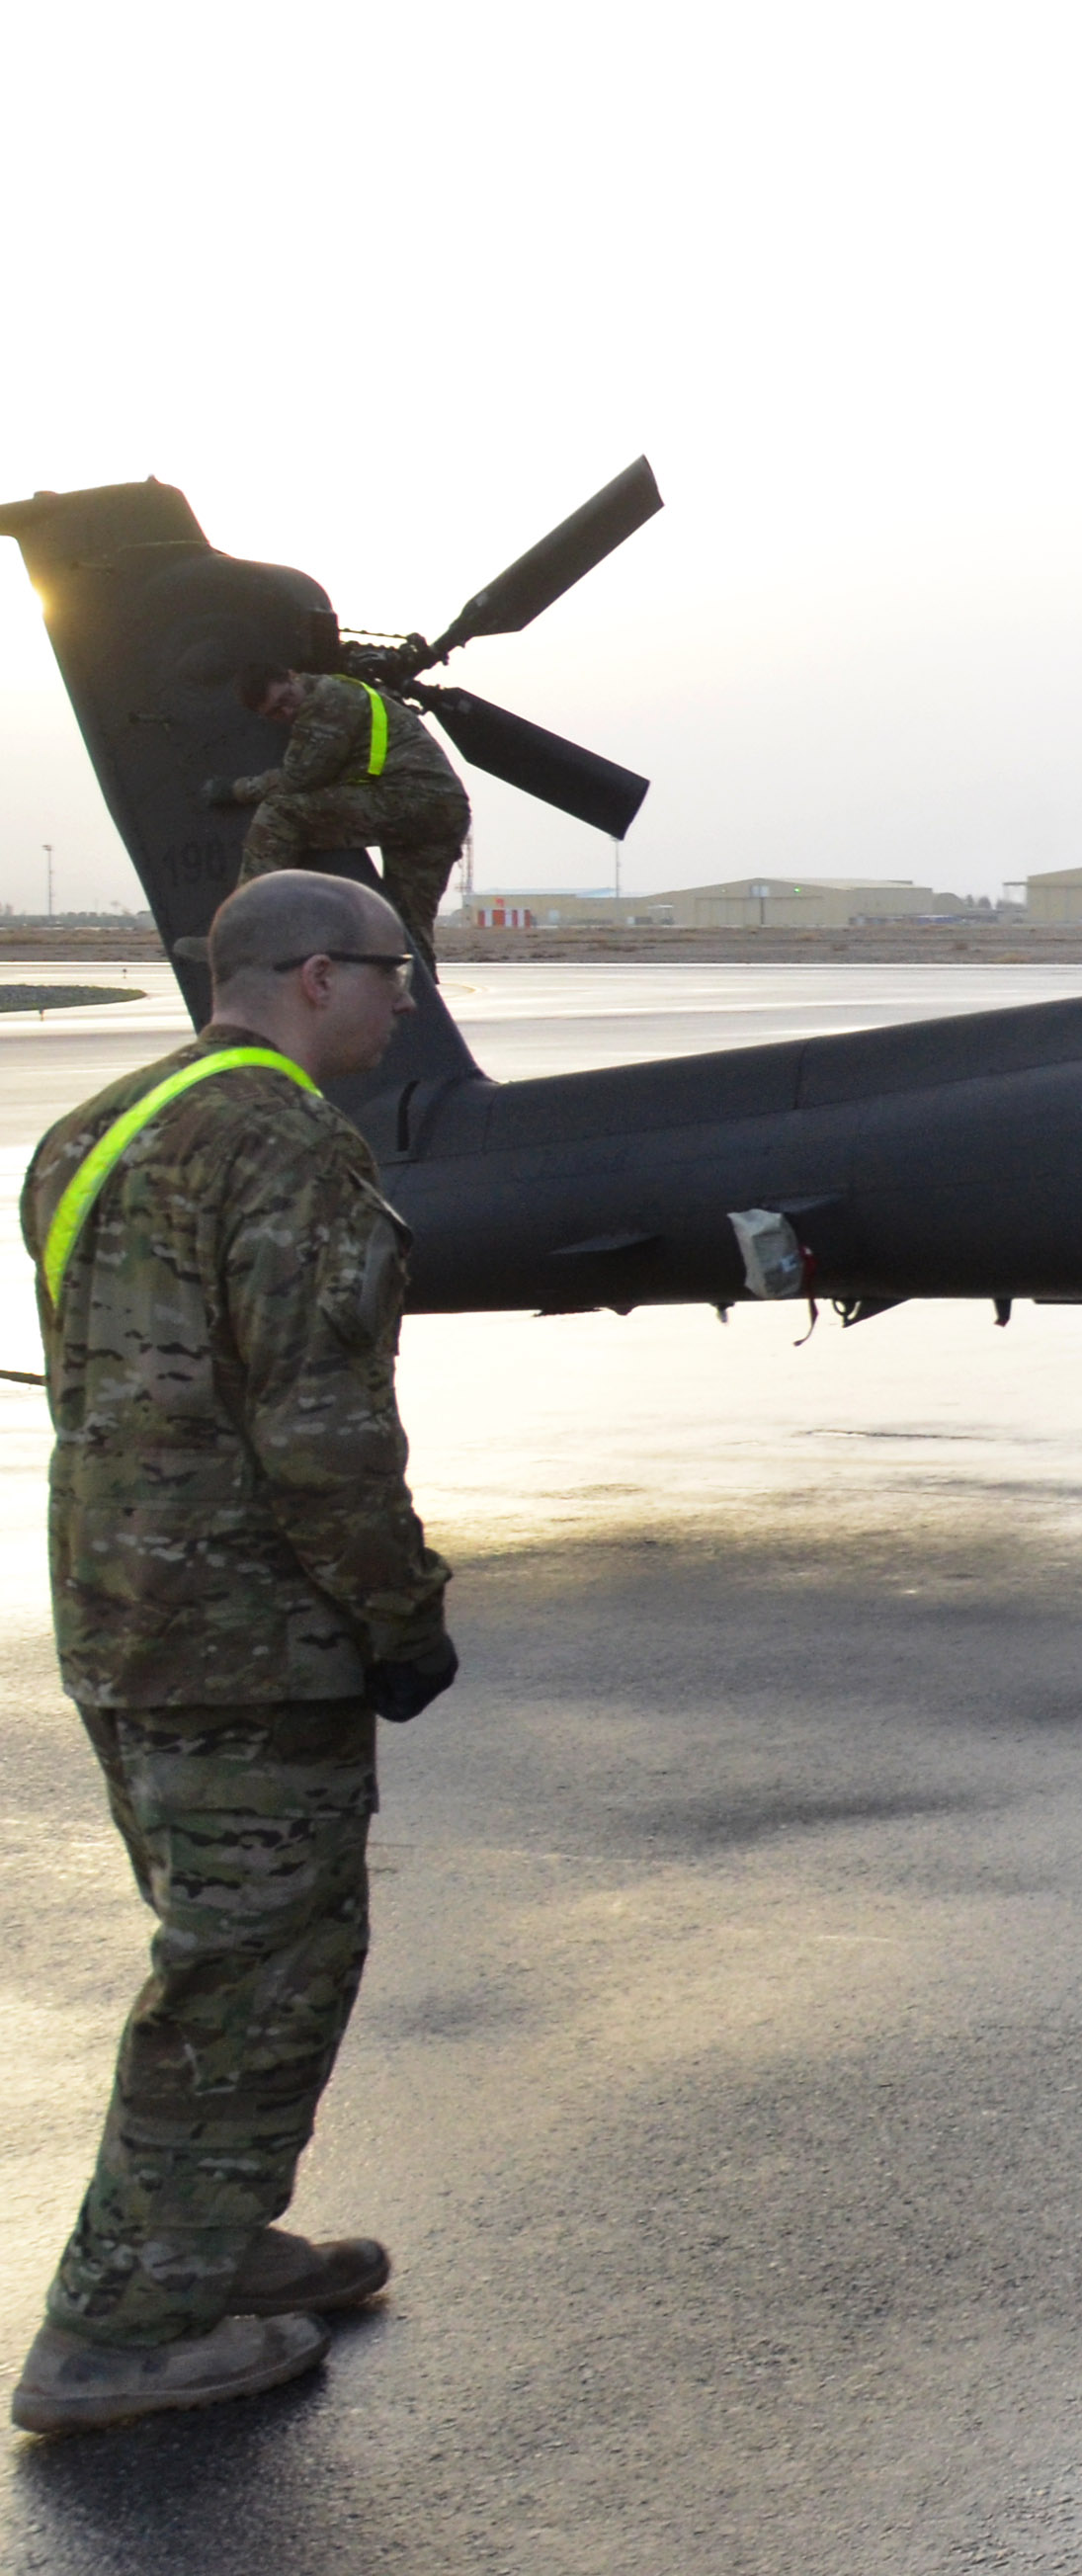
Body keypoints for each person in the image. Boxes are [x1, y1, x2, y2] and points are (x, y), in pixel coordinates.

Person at [12, 870, 456, 2436]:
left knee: (242, 1952)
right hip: (247, 1637)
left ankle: (207, 2244)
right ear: (317, 975)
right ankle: (115, 2335)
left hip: (123, 1619)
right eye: (397, 970)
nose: (410, 998)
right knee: (249, 1977)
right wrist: (401, 1617)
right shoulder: (285, 1143)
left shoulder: (100, 1127)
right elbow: (320, 1425)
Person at [209, 669, 475, 955]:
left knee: (280, 812)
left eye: (286, 698)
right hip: (443, 812)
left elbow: (298, 779)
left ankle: (242, 931)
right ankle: (415, 993)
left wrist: (235, 790)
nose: (288, 710)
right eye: (276, 712)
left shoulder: (328, 701)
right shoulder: (342, 690)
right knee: (406, 928)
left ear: (293, 677)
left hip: (407, 800)